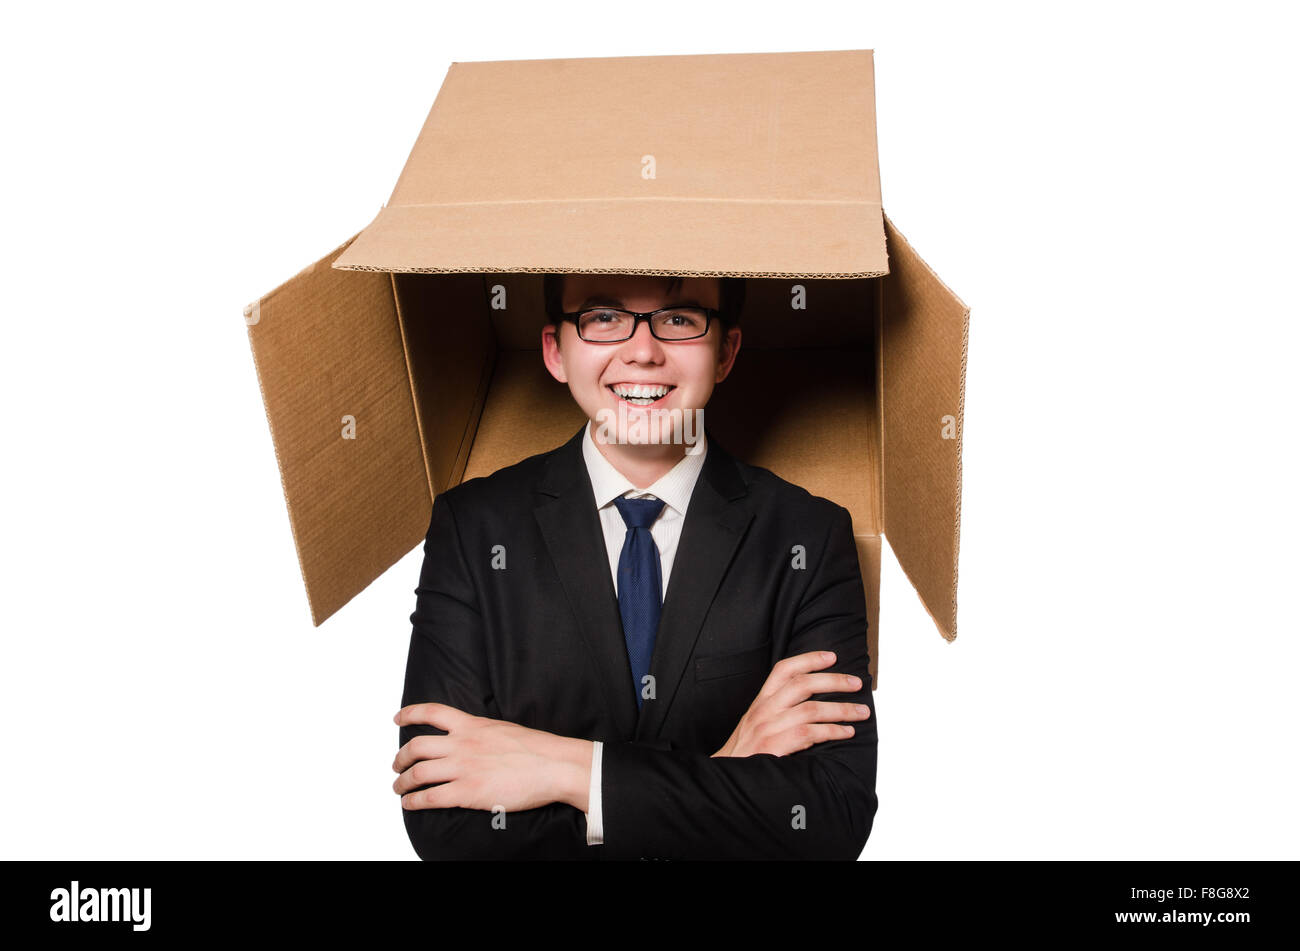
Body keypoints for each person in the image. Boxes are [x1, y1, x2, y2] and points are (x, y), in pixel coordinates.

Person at [391, 272, 878, 859]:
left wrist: (574, 771)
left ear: (725, 352)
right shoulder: (472, 528)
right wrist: (724, 771)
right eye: (603, 317)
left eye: (679, 319)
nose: (643, 351)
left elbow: (830, 815)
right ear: (555, 351)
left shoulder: (807, 535)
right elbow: (445, 822)